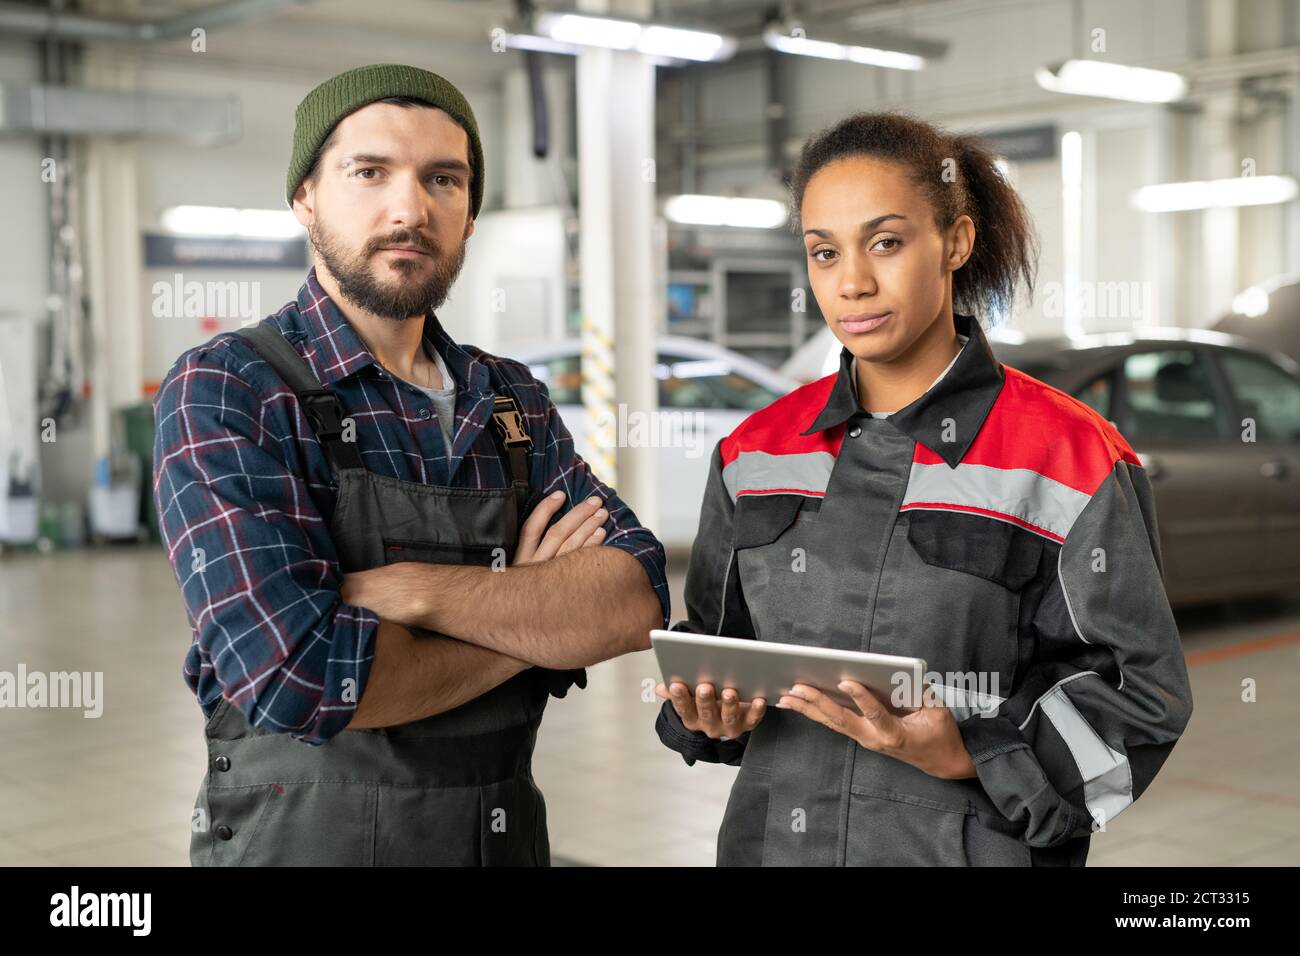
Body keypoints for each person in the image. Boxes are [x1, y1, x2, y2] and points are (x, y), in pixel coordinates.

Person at [153, 63, 669, 866]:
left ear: (469, 212)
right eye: (369, 172)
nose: (410, 209)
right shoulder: (232, 387)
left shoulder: (511, 402)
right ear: (306, 197)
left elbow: (633, 602)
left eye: (443, 178)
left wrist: (415, 592)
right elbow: (302, 674)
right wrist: (531, 625)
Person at [654, 110, 1193, 867]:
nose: (852, 281)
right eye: (822, 251)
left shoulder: (1070, 457)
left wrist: (973, 751)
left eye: (886, 242)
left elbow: (1141, 695)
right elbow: (721, 649)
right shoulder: (756, 451)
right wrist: (710, 712)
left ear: (956, 242)